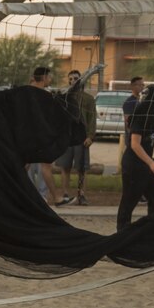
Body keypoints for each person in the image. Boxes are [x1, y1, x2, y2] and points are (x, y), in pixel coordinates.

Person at [117, 84, 154, 230]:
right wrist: (151, 163)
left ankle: (150, 230)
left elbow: (148, 142)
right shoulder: (141, 115)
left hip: (144, 164)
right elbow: (135, 144)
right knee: (129, 200)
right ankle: (122, 233)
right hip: (133, 165)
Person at [54, 70, 97, 206]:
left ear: (81, 81)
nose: (73, 80)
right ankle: (65, 194)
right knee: (64, 167)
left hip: (81, 138)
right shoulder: (64, 97)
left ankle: (81, 195)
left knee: (81, 169)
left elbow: (92, 119)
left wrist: (90, 136)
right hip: (66, 138)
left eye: (76, 78)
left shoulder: (88, 99)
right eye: (70, 78)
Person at [29, 66, 61, 205]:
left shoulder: (26, 92)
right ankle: (56, 198)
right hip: (37, 136)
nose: (51, 79)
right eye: (49, 76)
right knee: (45, 167)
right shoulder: (43, 96)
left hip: (31, 136)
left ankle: (50, 197)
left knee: (26, 166)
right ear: (43, 78)